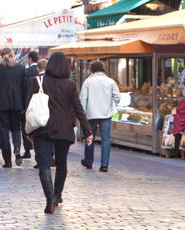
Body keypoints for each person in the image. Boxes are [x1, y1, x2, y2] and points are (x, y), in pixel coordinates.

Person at [34, 51, 91, 214]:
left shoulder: (39, 81)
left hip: (42, 127)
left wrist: (28, 129)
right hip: (63, 129)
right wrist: (87, 131)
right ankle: (57, 195)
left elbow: (29, 106)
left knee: (44, 165)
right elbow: (78, 109)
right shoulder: (70, 85)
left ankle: (49, 198)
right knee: (61, 164)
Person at [80, 59, 121, 173]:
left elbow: (83, 99)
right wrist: (111, 105)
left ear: (91, 69)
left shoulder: (88, 81)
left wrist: (82, 114)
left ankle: (88, 161)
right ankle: (104, 165)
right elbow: (117, 97)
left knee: (89, 137)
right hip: (106, 113)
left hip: (91, 113)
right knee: (106, 139)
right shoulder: (110, 81)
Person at [0, 48, 26, 168]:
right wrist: (24, 105)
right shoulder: (20, 68)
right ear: (13, 55)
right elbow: (24, 88)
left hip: (2, 104)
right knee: (16, 129)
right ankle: (18, 149)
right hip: (17, 104)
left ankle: (8, 160)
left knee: (4, 130)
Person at [20, 50, 41, 161]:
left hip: (28, 105)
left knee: (26, 127)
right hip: (40, 104)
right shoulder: (41, 71)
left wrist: (23, 106)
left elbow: (23, 90)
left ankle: (27, 149)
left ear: (29, 59)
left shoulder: (27, 72)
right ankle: (38, 152)